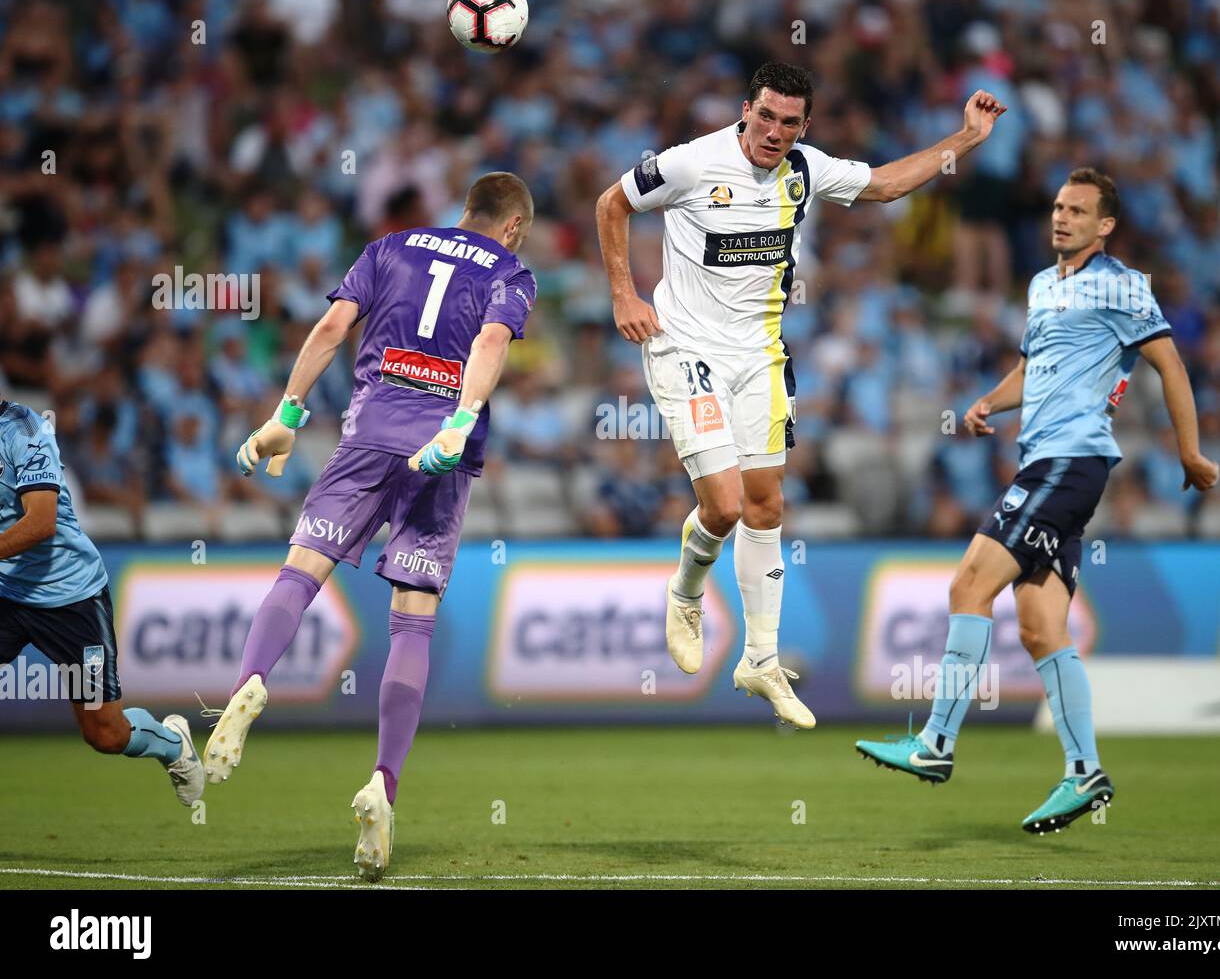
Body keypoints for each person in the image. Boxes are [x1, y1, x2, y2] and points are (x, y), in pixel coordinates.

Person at [595, 60, 1006, 728]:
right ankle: (686, 590)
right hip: (686, 349)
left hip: (759, 356)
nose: (775, 131)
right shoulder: (692, 163)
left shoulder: (805, 169)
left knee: (765, 502)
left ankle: (760, 659)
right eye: (766, 117)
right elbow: (611, 203)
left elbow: (887, 185)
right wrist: (622, 293)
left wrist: (966, 139)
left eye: (790, 122)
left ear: (803, 125)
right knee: (722, 507)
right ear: (745, 110)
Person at [855, 168, 1220, 832]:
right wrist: (990, 401)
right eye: (1057, 207)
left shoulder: (1124, 285)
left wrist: (1188, 452)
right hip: (1050, 464)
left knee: (969, 584)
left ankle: (935, 743)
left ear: (1105, 225)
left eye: (1078, 211)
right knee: (1039, 628)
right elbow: (1036, 364)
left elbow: (1170, 366)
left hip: (1070, 460)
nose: (1061, 218)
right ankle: (1084, 771)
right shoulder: (1041, 286)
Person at [202, 172, 537, 880]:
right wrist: (460, 419)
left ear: (464, 210)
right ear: (512, 227)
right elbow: (492, 343)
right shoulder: (510, 269)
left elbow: (329, 328)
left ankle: (251, 681)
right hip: (441, 454)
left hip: (365, 437)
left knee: (299, 575)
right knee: (411, 624)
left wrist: (284, 416)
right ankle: (382, 783)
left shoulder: (388, 248)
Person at [0, 399, 204, 806]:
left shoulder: (25, 431)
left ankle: (172, 744)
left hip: (70, 597)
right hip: (6, 594)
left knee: (105, 733)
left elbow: (41, 522)